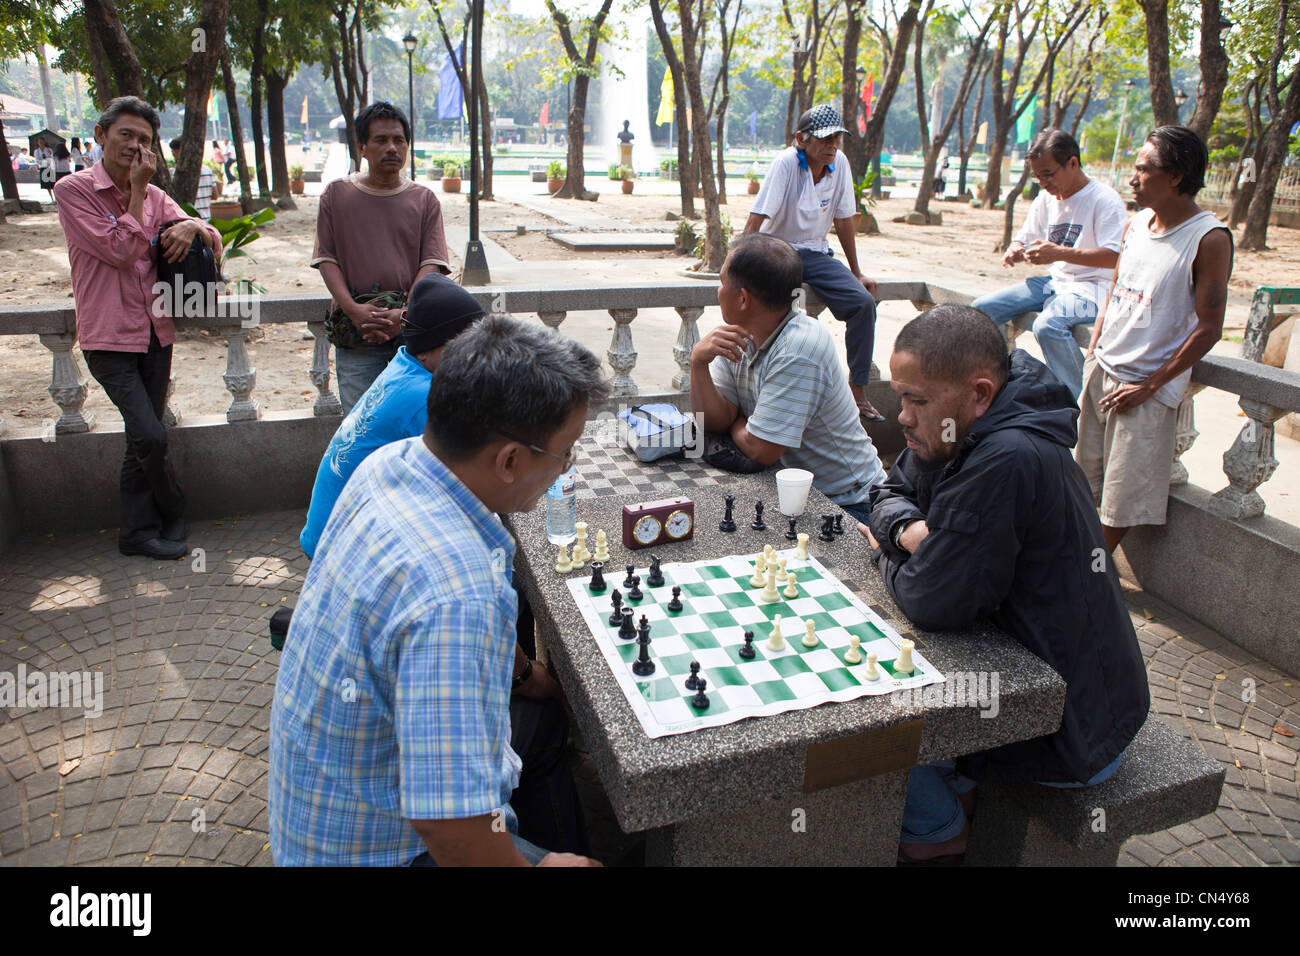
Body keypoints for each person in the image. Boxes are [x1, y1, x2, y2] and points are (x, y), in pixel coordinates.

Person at [270, 314, 609, 867]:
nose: (566, 468)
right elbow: (449, 827)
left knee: (540, 723)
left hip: (330, 800)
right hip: (379, 850)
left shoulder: (392, 464)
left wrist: (528, 676)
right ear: (509, 460)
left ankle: (548, 841)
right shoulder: (457, 593)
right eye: (564, 453)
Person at [859, 305, 1150, 862]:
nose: (902, 416)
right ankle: (959, 798)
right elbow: (886, 490)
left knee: (865, 735)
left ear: (980, 392)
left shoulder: (1008, 457)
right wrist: (911, 533)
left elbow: (929, 598)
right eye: (902, 396)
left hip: (1075, 732)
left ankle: (939, 836)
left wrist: (887, 554)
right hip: (1054, 688)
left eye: (917, 400)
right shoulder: (956, 429)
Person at [55, 96, 222, 560]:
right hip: (107, 334)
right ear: (100, 135)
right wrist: (134, 191)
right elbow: (119, 251)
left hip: (155, 331)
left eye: (144, 139)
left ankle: (137, 532)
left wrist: (191, 226)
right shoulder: (74, 190)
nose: (135, 145)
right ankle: (173, 506)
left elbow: (214, 238)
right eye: (125, 134)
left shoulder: (156, 196)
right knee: (149, 434)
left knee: (139, 437)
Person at [1078, 126, 1234, 554]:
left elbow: (1209, 327)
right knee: (1081, 483)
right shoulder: (1137, 224)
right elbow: (1116, 286)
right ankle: (1074, 568)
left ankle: (1088, 576)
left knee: (1120, 502)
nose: (1133, 178)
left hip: (1142, 389)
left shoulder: (1209, 238)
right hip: (1102, 371)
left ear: (1177, 176)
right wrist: (1093, 352)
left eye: (1144, 170)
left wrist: (1149, 385)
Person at [690, 233, 885, 523]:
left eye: (721, 282)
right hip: (791, 492)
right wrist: (698, 364)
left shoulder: (799, 349)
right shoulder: (737, 336)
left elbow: (761, 450)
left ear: (742, 298)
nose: (718, 291)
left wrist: (740, 424)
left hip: (849, 503)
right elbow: (715, 421)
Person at [745, 103, 885, 423]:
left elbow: (844, 218)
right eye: (825, 140)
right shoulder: (786, 163)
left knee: (863, 304)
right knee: (781, 316)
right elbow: (759, 216)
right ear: (801, 138)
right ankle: (765, 390)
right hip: (776, 251)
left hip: (816, 253)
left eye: (837, 139)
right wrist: (737, 265)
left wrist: (856, 271)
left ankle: (858, 391)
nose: (832, 146)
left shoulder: (841, 164)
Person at [312, 100, 450, 414]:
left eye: (399, 140)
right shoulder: (337, 195)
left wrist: (404, 313)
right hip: (358, 333)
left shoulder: (424, 200)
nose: (392, 148)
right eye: (381, 140)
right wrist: (353, 309)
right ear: (362, 147)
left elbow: (432, 262)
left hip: (414, 332)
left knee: (417, 420)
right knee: (361, 422)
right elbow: (326, 257)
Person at [970, 128, 1128, 399]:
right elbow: (1025, 237)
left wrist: (1059, 254)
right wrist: (1016, 249)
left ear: (1073, 163)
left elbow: (1114, 258)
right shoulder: (1046, 198)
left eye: (1048, 174)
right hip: (1056, 283)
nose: (1043, 183)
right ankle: (1000, 385)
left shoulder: (1105, 200)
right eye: (1037, 176)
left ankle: (1083, 402)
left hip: (1094, 287)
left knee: (1048, 325)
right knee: (981, 311)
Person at [169, 137, 213, 220]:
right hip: (207, 220)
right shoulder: (208, 170)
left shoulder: (174, 174)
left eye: (174, 150)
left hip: (189, 222)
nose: (173, 154)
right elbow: (215, 195)